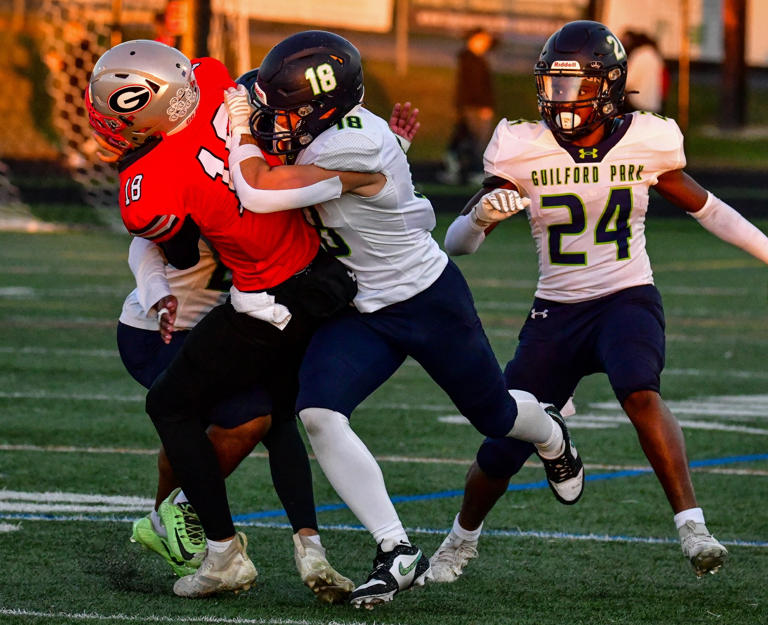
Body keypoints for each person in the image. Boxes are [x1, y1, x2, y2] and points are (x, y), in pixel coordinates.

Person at [224, 29, 584, 608]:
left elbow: (261, 191)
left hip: (424, 298)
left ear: (322, 111)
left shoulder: (351, 144)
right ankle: (396, 549)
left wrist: (241, 126)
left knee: (493, 414)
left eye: (284, 113)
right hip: (360, 307)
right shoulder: (346, 135)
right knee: (318, 412)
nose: (273, 123)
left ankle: (548, 430)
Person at [432, 19, 768, 583]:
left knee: (639, 388)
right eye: (553, 83)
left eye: (575, 84)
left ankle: (693, 526)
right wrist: (479, 216)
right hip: (555, 311)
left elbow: (708, 207)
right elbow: (456, 244)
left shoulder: (646, 138)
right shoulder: (521, 146)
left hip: (625, 297)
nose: (560, 98)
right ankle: (458, 542)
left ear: (609, 86)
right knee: (503, 441)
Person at [87, 39, 421, 600]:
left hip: (266, 300)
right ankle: (249, 539)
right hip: (288, 292)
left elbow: (182, 247)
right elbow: (163, 245)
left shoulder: (149, 183)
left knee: (239, 414)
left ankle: (214, 541)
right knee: (258, 414)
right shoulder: (218, 82)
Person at [115, 234, 352, 603]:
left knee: (277, 413)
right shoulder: (222, 183)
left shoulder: (280, 189)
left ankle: (312, 551)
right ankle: (173, 517)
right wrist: (157, 294)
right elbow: (145, 240)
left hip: (241, 325)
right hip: (165, 332)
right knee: (251, 416)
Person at [439, 27, 497, 185]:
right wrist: (483, 107)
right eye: (483, 40)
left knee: (466, 140)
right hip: (475, 107)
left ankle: (456, 170)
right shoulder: (470, 60)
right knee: (478, 142)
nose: (486, 44)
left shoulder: (475, 59)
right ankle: (474, 172)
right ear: (475, 39)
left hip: (472, 106)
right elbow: (474, 87)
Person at [622, 29, 667, 114]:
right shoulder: (655, 55)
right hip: (654, 104)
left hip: (638, 104)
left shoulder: (638, 54)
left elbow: (629, 81)